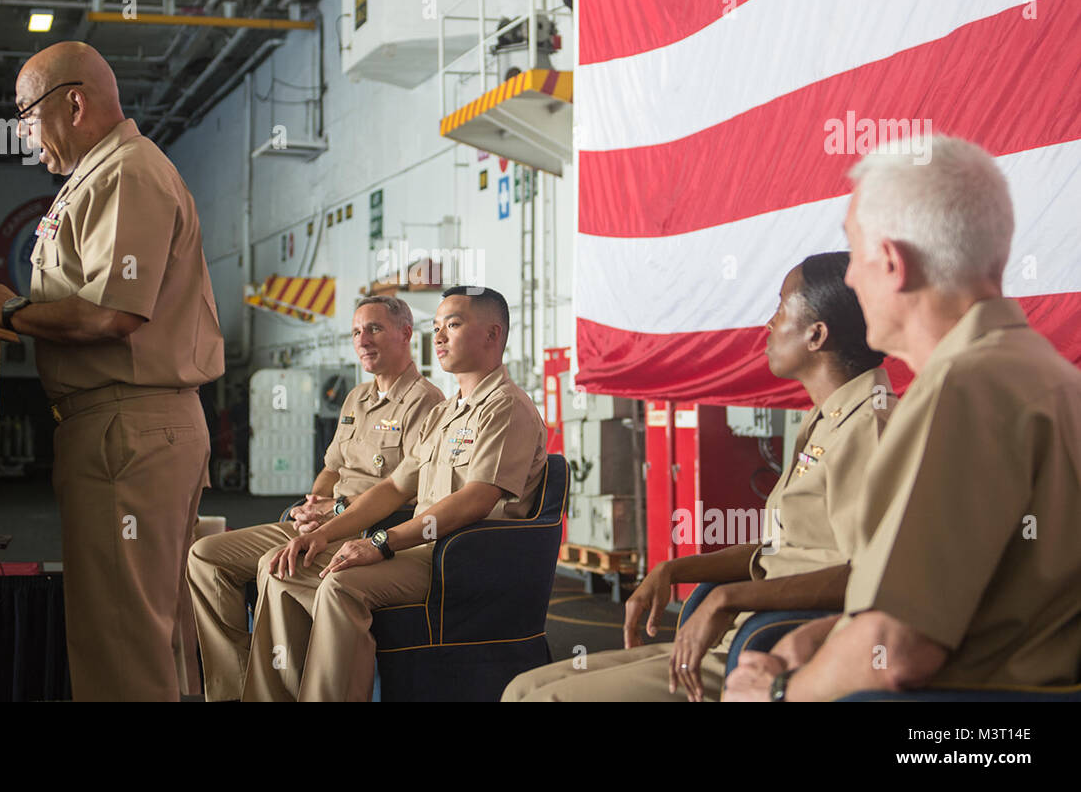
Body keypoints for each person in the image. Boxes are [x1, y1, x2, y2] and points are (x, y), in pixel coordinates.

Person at [725, 135, 1081, 702]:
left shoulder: (961, 393)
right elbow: (975, 610)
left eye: (856, 257)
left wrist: (777, 693)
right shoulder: (1046, 376)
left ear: (890, 263)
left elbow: (897, 650)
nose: (852, 283)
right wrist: (825, 635)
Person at [0, 41, 225, 701]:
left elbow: (113, 314)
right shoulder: (97, 177)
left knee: (122, 641)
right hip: (122, 428)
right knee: (150, 633)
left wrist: (7, 309)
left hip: (128, 427)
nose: (23, 134)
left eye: (26, 114)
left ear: (73, 102)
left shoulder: (126, 172)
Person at [504, 252, 894, 701]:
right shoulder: (826, 420)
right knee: (525, 686)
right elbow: (784, 552)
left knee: (541, 699)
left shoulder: (870, 425)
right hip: (737, 637)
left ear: (816, 334)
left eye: (781, 306)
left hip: (775, 655)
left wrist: (730, 599)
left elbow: (869, 575)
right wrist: (674, 567)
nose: (768, 324)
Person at [242, 285, 547, 701]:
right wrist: (323, 534)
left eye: (453, 325)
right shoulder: (445, 413)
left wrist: (384, 542)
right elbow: (393, 487)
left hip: (464, 558)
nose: (437, 337)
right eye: (436, 326)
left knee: (341, 586)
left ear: (493, 335)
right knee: (284, 569)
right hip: (424, 550)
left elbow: (477, 498)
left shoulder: (505, 408)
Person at [186, 295, 443, 702]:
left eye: (374, 328)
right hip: (321, 520)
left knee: (280, 567)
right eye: (357, 331)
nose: (363, 340)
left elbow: (406, 490)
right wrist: (312, 505)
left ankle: (278, 693)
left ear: (406, 333)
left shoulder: (426, 402)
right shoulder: (356, 398)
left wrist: (336, 512)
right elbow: (332, 468)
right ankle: (233, 688)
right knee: (204, 556)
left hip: (367, 528)